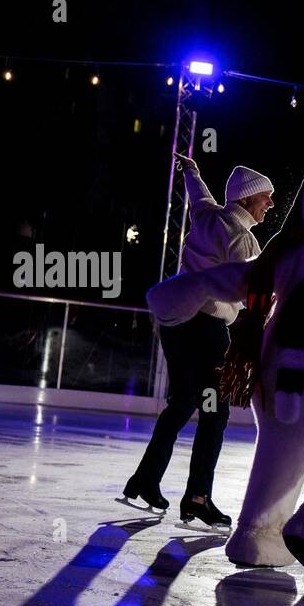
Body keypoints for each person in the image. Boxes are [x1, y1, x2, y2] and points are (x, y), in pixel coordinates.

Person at [122, 154, 275, 527]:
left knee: (182, 404)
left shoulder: (207, 215)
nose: (270, 204)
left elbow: (198, 194)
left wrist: (191, 170)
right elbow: (251, 294)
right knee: (214, 412)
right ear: (246, 199)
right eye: (265, 198)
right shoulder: (241, 239)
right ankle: (197, 497)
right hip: (207, 332)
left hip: (177, 325)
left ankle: (144, 481)